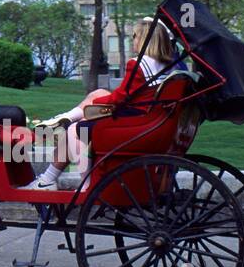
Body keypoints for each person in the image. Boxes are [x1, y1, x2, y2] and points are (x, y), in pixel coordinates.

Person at [29, 16, 177, 188]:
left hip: (135, 122)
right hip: (149, 119)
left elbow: (119, 99)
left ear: (145, 39)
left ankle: (86, 186)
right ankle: (48, 177)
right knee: (97, 94)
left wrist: (94, 106)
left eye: (135, 36)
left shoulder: (138, 64)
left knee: (75, 130)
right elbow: (131, 95)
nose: (133, 40)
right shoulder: (167, 67)